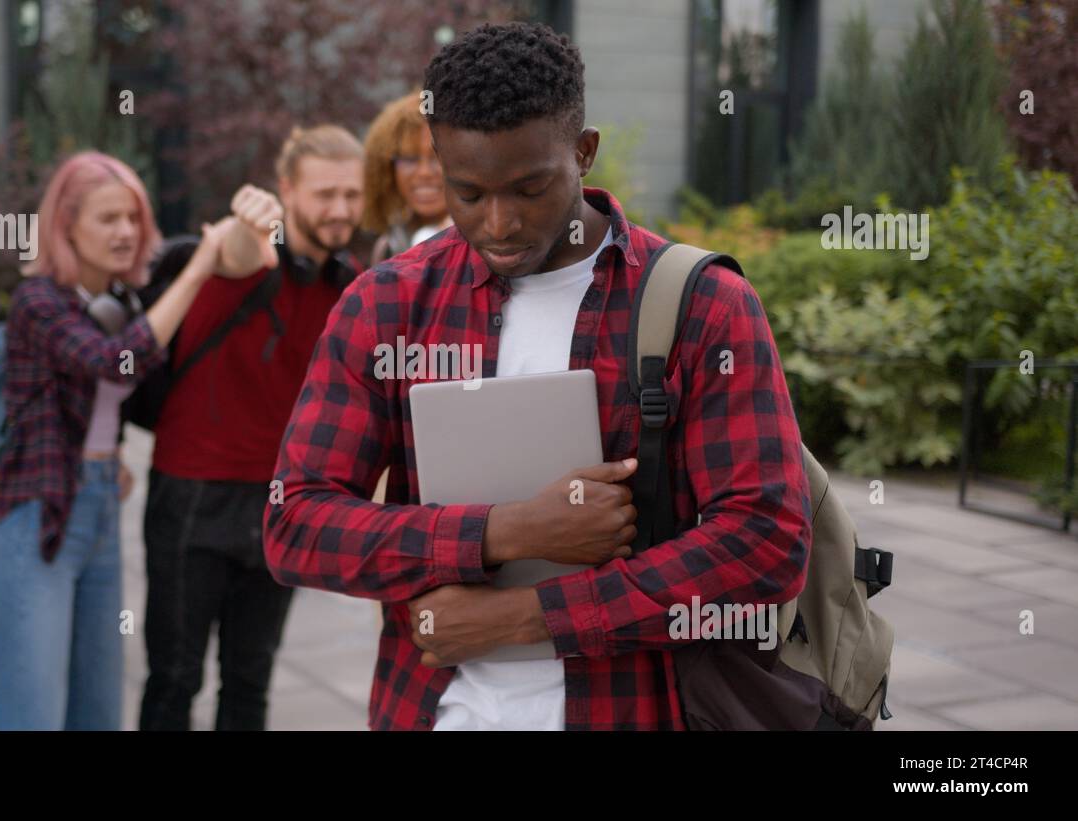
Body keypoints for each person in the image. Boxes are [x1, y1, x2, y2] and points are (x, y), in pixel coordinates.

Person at [263, 23, 813, 731]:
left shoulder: (703, 305)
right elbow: (295, 522)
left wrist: (525, 616)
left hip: (631, 710)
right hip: (435, 711)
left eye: (530, 188)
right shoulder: (388, 304)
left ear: (583, 152)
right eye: (468, 193)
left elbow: (766, 542)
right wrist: (507, 531)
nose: (499, 223)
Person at [0, 151, 231, 730]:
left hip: (96, 509)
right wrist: (197, 272)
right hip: (36, 515)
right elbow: (115, 364)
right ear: (65, 225)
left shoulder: (116, 304)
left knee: (96, 709)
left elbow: (104, 397)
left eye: (133, 218)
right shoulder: (38, 303)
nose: (125, 232)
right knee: (28, 710)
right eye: (108, 218)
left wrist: (108, 451)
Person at [139, 125, 365, 731]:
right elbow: (242, 247)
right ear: (286, 189)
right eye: (324, 194)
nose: (339, 209)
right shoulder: (248, 255)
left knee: (249, 681)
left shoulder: (348, 285)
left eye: (351, 194)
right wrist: (249, 218)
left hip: (278, 504)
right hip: (194, 496)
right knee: (176, 678)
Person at [362, 90, 453, 266]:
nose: (424, 172)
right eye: (409, 159)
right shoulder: (387, 249)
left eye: (438, 158)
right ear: (388, 169)